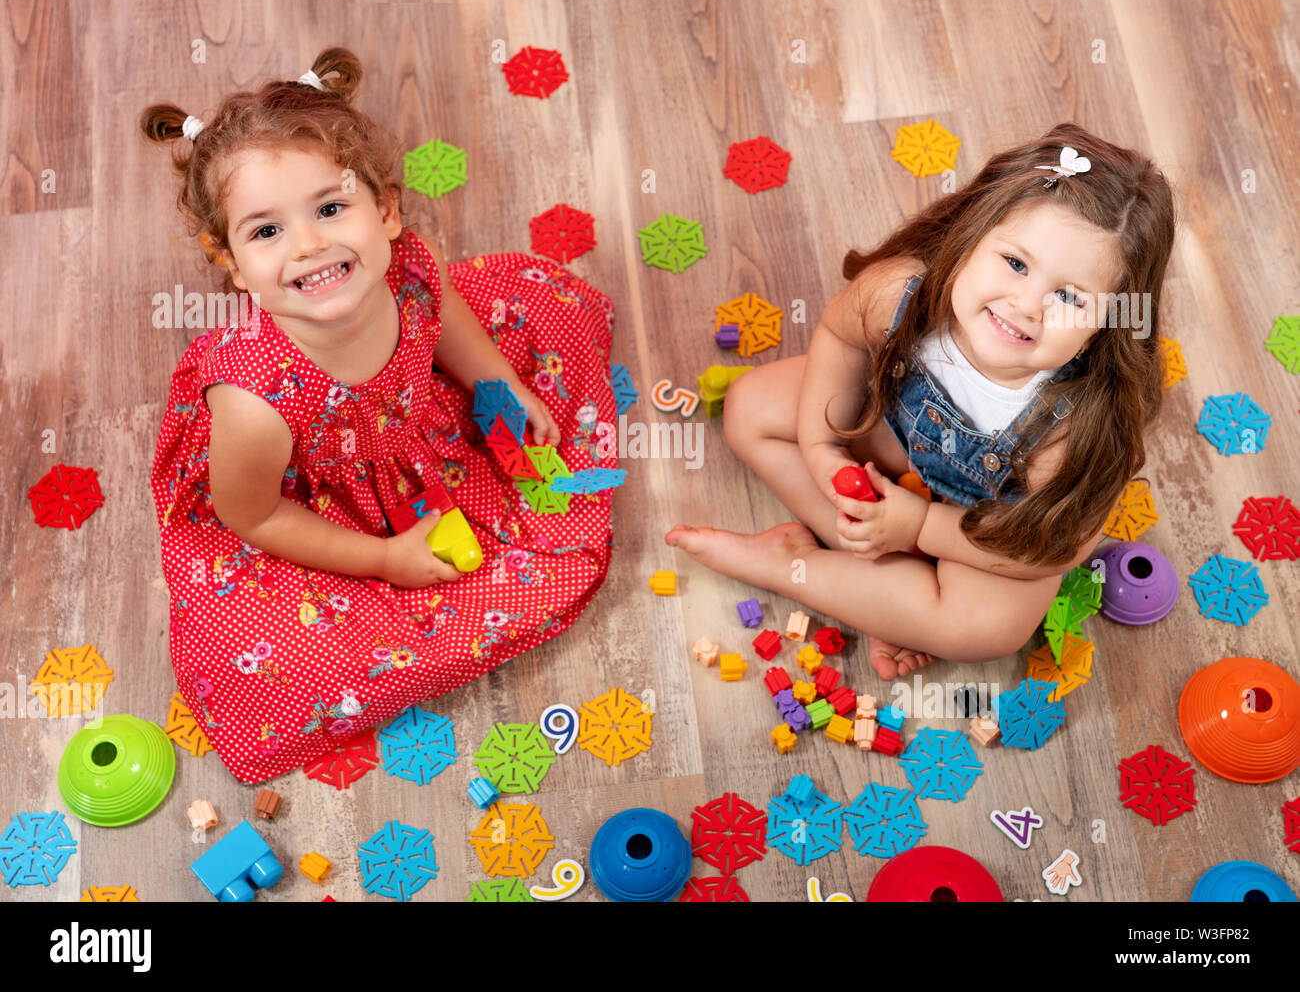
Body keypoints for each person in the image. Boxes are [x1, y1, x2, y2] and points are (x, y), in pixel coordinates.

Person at [143, 46, 618, 783]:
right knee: (286, 665)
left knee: (545, 317)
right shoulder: (252, 400)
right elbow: (254, 517)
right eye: (265, 232)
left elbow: (450, 321)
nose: (309, 245)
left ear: (386, 212)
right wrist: (386, 561)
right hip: (315, 502)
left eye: (331, 209)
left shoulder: (407, 266)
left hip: (414, 423)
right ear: (232, 264)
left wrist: (501, 388)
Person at [667, 122, 1175, 680]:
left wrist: (919, 529)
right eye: (1015, 263)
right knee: (750, 409)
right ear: (972, 231)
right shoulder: (898, 294)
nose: (1026, 304)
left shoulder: (1075, 429)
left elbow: (1047, 554)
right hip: (895, 442)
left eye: (1069, 295)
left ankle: (795, 566)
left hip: (989, 526)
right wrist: (821, 450)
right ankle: (884, 589)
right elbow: (839, 337)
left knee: (986, 627)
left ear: (1111, 323)